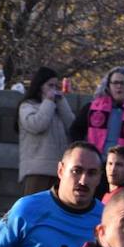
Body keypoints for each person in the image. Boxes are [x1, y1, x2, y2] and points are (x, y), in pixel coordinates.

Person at [69, 66, 124, 198]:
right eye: (115, 83)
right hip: (97, 165)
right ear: (108, 86)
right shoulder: (92, 107)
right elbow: (75, 130)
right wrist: (82, 153)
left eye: (122, 83)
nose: (119, 87)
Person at [17, 66, 74, 196]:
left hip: (58, 170)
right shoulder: (27, 106)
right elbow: (37, 125)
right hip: (37, 170)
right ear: (40, 86)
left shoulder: (57, 107)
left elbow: (72, 126)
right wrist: (48, 101)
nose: (53, 89)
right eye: (50, 85)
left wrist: (62, 102)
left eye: (56, 86)